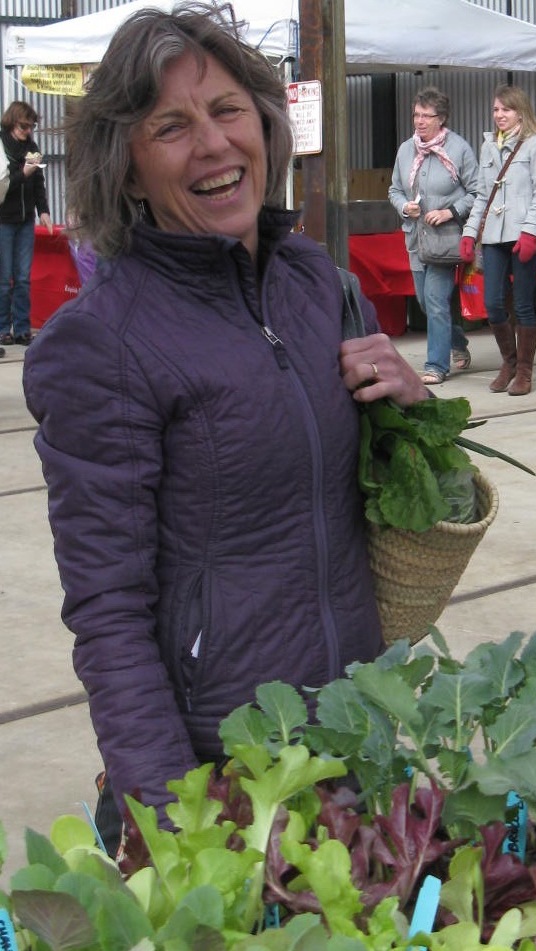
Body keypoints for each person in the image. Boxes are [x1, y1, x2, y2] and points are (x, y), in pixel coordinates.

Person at [23, 1, 429, 854]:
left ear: (266, 126)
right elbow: (107, 611)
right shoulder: (102, 345)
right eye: (170, 125)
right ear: (127, 169)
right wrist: (176, 822)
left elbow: (399, 502)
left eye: (227, 110)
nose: (212, 145)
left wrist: (414, 409)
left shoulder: (315, 283)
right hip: (225, 772)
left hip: (356, 738)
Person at [459, 85, 536, 396]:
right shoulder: (489, 146)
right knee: (492, 303)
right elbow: (483, 196)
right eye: (496, 109)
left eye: (506, 110)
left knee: (524, 304)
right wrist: (469, 233)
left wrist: (530, 230)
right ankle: (509, 362)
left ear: (520, 112)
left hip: (523, 233)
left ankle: (525, 371)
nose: (499, 115)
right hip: (494, 234)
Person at [389, 86, 479, 385]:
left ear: (442, 118)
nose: (420, 121)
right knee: (426, 303)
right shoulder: (405, 150)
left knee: (436, 300)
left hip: (444, 240)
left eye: (427, 116)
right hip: (415, 239)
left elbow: (478, 192)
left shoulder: (459, 149)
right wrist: (405, 207)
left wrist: (449, 211)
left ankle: (435, 366)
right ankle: (457, 342)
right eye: (416, 114)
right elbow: (395, 190)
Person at [0, 101, 53, 347]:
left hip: (25, 220)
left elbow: (38, 180)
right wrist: (26, 173)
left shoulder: (31, 146)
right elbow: (6, 185)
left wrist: (43, 211)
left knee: (23, 277)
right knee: (4, 278)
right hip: (4, 219)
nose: (27, 131)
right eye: (23, 126)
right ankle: (2, 329)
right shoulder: (3, 146)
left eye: (31, 127)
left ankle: (21, 329)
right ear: (12, 122)